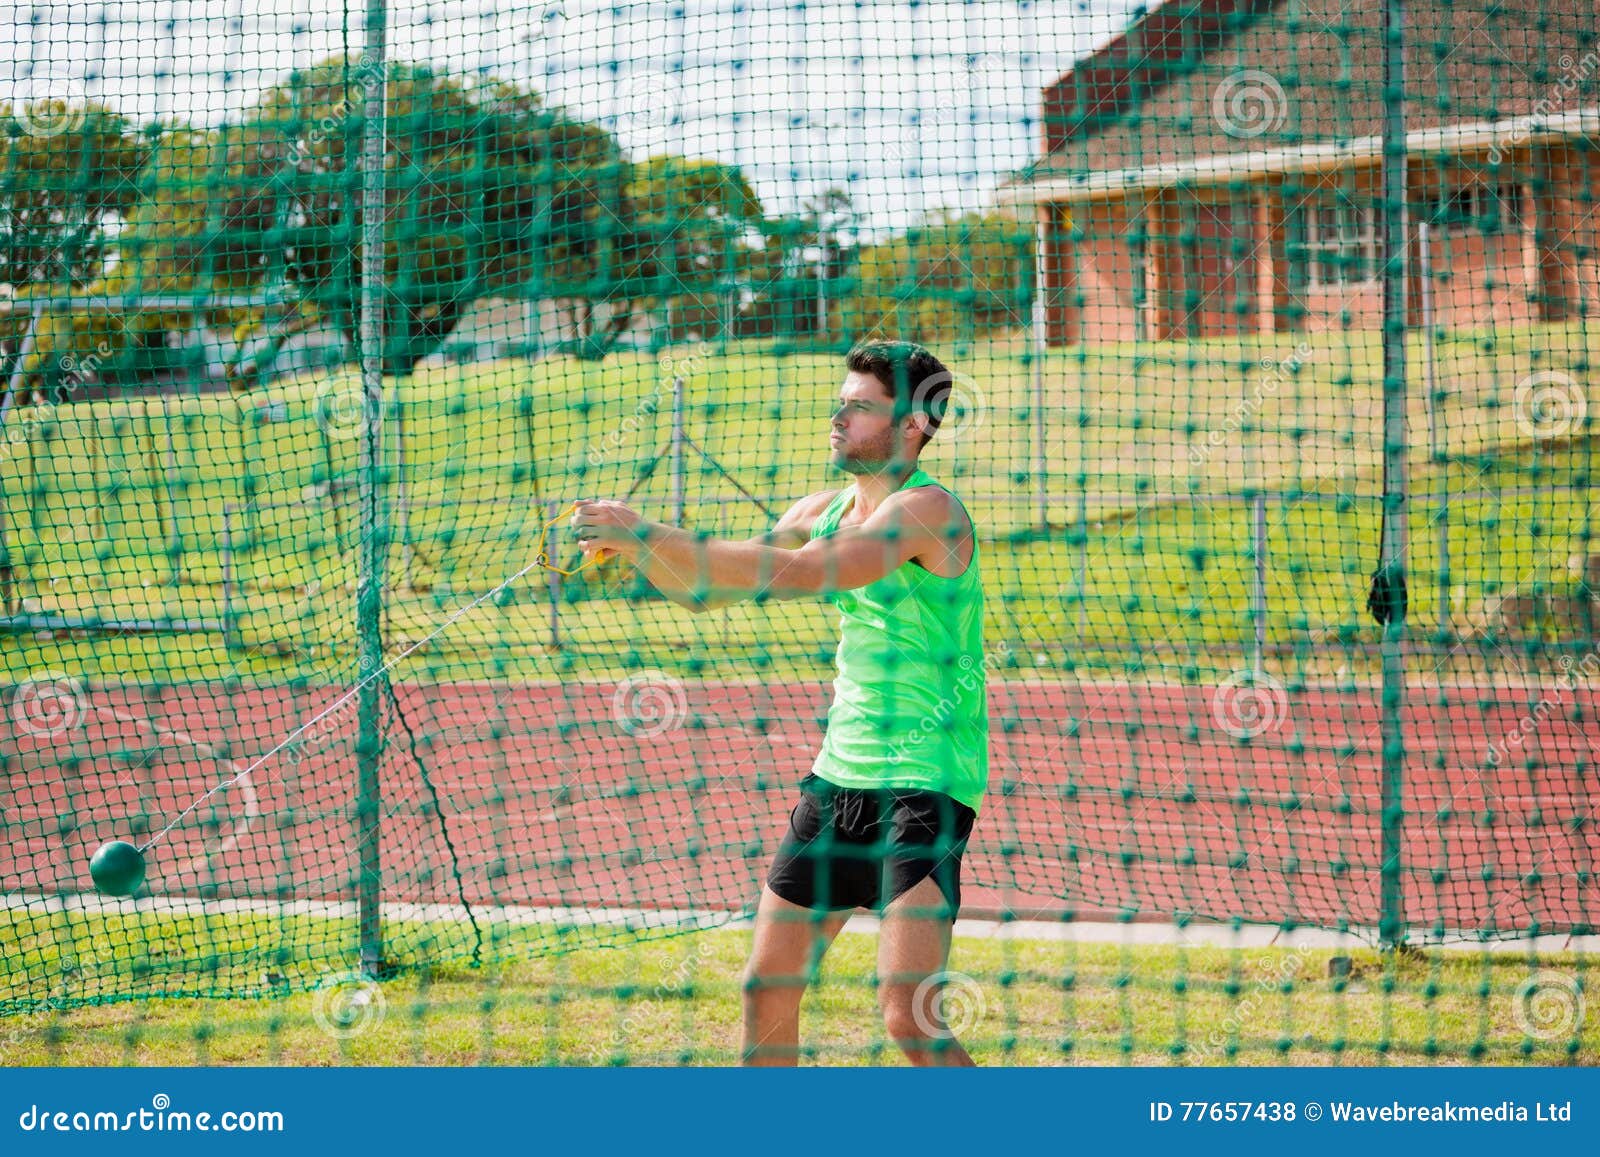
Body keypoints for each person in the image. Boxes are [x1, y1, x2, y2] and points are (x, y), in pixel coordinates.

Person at [571, 341, 987, 1066]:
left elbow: (807, 572)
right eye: (842, 400)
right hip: (837, 780)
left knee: (908, 1018)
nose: (838, 416)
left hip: (924, 784)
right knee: (766, 986)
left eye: (859, 406)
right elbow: (710, 589)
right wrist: (637, 549)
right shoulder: (819, 508)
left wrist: (646, 530)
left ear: (917, 422)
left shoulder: (928, 511)